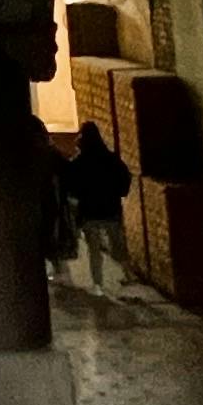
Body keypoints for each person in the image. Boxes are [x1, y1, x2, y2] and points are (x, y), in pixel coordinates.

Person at [53, 118, 132, 282]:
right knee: (118, 245)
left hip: (90, 212)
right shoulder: (110, 158)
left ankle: (98, 284)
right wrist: (120, 192)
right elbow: (124, 176)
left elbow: (69, 181)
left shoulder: (80, 162)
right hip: (111, 209)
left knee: (94, 250)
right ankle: (127, 274)